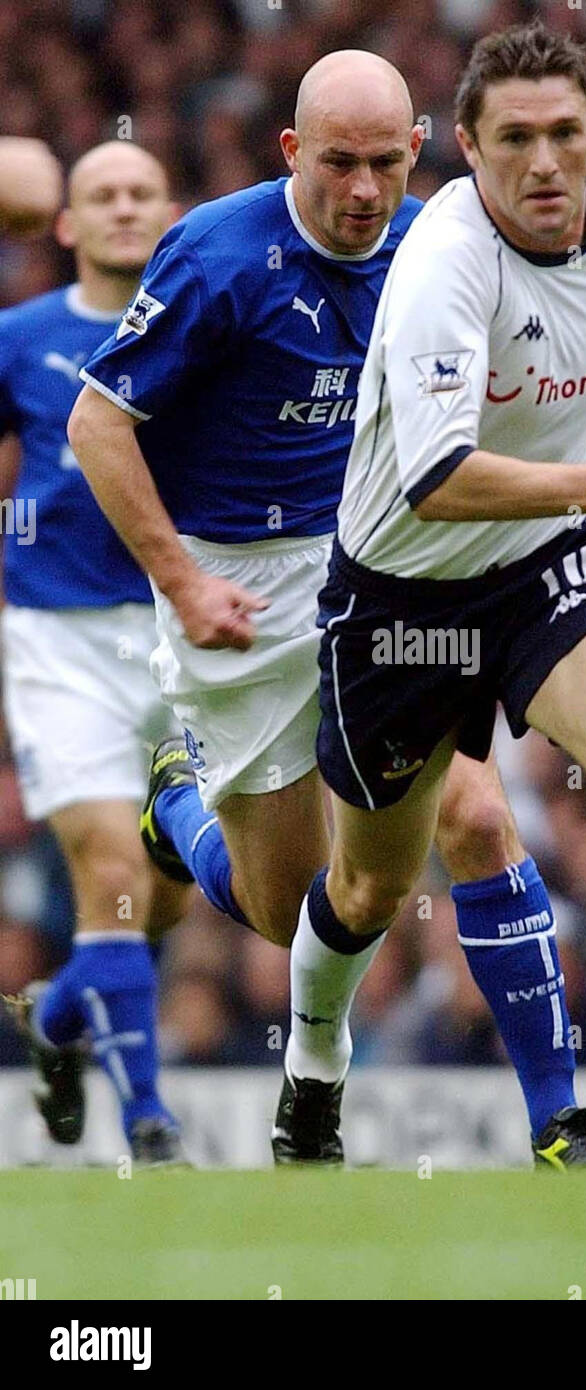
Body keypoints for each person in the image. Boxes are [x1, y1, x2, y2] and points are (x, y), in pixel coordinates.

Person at [68, 50, 586, 1169]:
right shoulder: (217, 255)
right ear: (292, 152)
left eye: (385, 162)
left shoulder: (439, 248)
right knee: (295, 909)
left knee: (473, 817)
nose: (364, 189)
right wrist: (181, 583)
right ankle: (180, 803)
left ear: (416, 152)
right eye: (338, 163)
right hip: (243, 587)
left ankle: (559, 1121)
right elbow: (98, 423)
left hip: (384, 566)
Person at [278, 24, 586, 1159]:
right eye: (513, 141)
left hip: (543, 552)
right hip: (398, 596)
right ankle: (313, 1061)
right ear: (464, 147)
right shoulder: (441, 267)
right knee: (363, 889)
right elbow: (437, 480)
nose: (543, 164)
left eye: (565, 135)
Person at [0, 141, 191, 1164]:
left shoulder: (205, 332)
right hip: (56, 638)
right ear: (65, 223)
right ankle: (150, 1125)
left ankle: (60, 1019)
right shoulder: (16, 339)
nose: (122, 208)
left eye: (140, 193)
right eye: (100, 194)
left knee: (165, 893)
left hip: (180, 637)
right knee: (110, 874)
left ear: (170, 215)